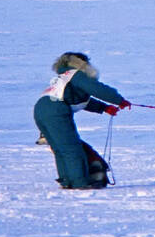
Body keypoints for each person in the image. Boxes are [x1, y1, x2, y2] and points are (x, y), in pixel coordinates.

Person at [34, 52, 131, 189]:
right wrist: (119, 100)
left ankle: (67, 181)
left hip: (40, 110)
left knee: (61, 149)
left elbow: (76, 98)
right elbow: (96, 88)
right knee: (72, 149)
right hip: (56, 111)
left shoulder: (63, 78)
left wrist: (103, 107)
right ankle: (80, 183)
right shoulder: (75, 74)